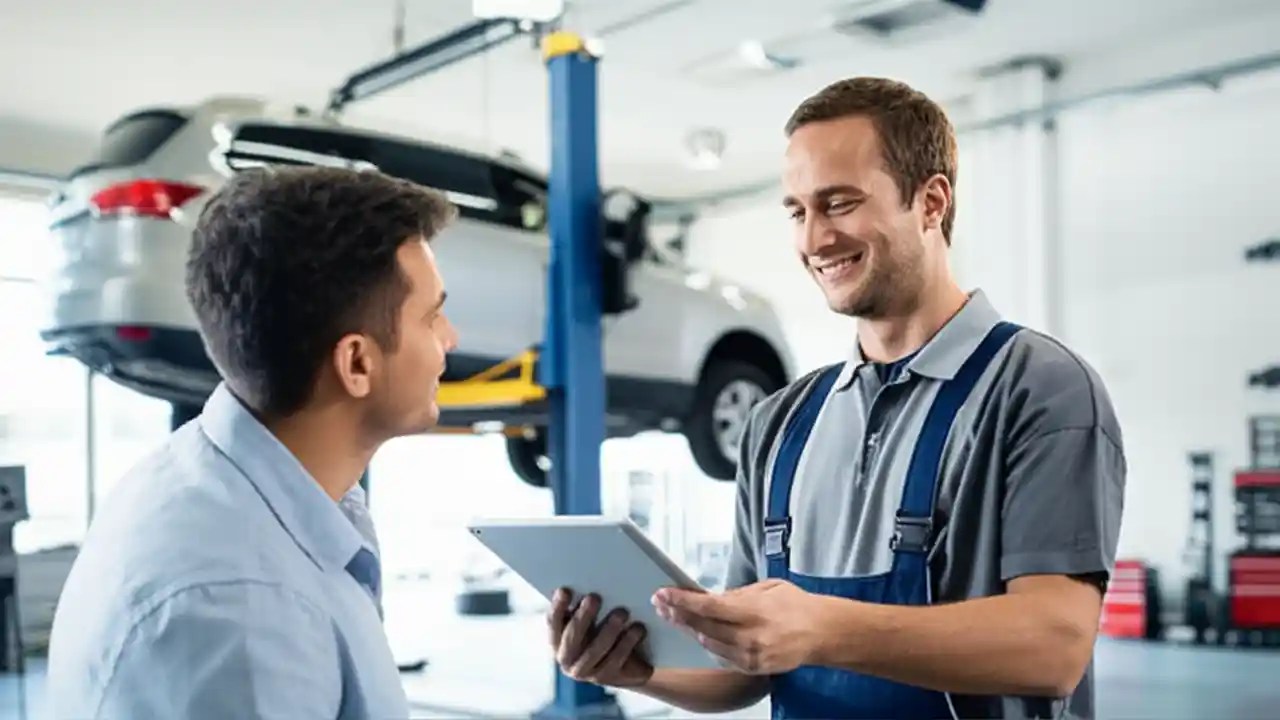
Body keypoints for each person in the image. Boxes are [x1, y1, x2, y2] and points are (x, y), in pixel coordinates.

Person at [545, 76, 1126, 719]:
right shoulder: (778, 424)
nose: (814, 239)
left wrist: (821, 627)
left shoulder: (1038, 389)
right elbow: (748, 667)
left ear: (931, 203)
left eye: (840, 203)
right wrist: (639, 671)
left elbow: (1053, 647)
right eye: (798, 211)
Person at [45, 166, 459, 719]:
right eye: (432, 317)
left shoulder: (220, 482)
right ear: (356, 362)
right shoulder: (247, 609)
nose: (450, 338)